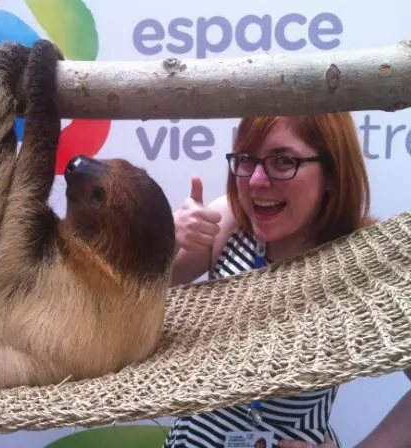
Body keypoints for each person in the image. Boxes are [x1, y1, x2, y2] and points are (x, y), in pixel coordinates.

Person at [163, 112, 411, 447]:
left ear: (332, 175)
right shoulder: (231, 223)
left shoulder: (362, 268)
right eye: (247, 160)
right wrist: (168, 239)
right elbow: (142, 300)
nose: (255, 182)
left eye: (283, 161)